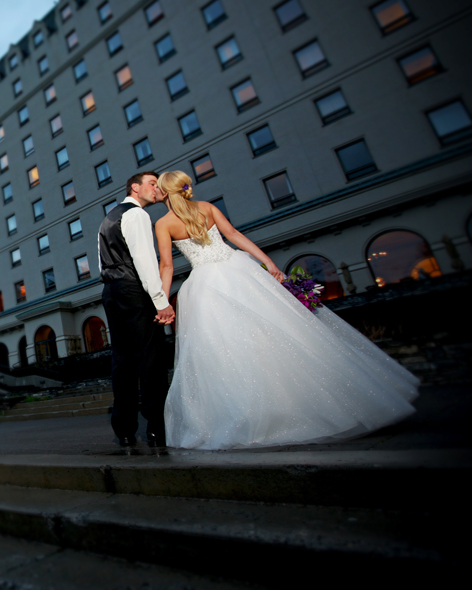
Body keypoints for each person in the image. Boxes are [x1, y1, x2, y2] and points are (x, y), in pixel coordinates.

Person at [154, 170, 419, 450]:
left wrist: (162, 301)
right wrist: (268, 263)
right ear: (186, 188)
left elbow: (167, 266)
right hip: (238, 269)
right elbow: (233, 235)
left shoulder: (163, 224)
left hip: (205, 284)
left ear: (164, 192)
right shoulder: (207, 208)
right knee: (276, 330)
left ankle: (254, 412)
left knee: (224, 346)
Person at [98, 172, 175, 453]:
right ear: (135, 187)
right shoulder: (137, 215)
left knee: (122, 361)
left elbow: (102, 262)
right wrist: (160, 299)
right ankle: (156, 429)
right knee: (150, 359)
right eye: (152, 184)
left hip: (111, 292)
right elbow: (144, 260)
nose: (156, 189)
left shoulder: (109, 218)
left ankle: (125, 432)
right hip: (133, 289)